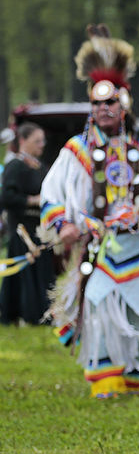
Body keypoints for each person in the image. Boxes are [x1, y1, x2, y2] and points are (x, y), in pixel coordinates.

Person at [39, 24, 139, 398]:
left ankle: (136, 375)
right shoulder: (76, 149)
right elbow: (52, 190)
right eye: (97, 103)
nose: (104, 109)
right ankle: (105, 379)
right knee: (98, 307)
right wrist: (63, 223)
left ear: (125, 104)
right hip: (99, 247)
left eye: (111, 102)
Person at [0, 124, 53, 325]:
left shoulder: (42, 167)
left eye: (43, 141)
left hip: (41, 230)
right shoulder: (15, 166)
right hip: (23, 231)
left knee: (42, 273)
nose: (42, 145)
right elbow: (6, 197)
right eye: (37, 141)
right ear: (23, 141)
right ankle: (20, 313)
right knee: (23, 273)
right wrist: (32, 200)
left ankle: (43, 313)